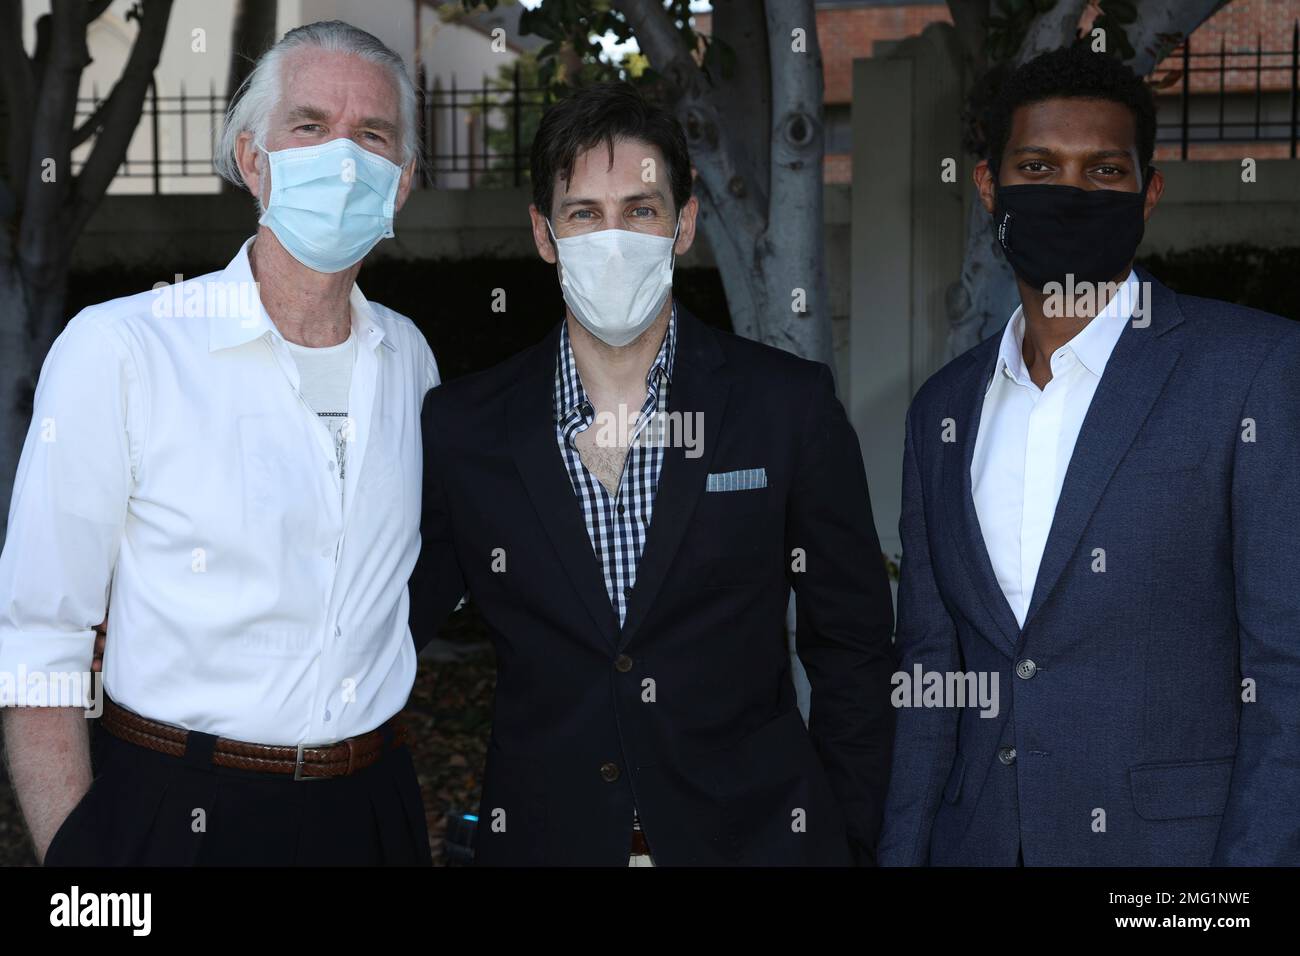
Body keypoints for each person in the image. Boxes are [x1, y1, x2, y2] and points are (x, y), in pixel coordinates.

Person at [408, 82, 896, 866]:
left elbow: (854, 646)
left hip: (758, 841)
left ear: (685, 224)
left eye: (640, 209)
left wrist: (848, 835)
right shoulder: (466, 428)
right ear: (544, 233)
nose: (614, 236)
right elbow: (388, 630)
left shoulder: (785, 406)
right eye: (584, 213)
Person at [0, 21, 437, 866]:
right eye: (309, 125)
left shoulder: (411, 360)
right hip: (173, 813)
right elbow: (38, 632)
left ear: (404, 181)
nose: (343, 156)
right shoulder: (123, 349)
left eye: (373, 135)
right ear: (251, 159)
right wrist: (81, 863)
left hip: (370, 809)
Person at [879, 45, 1300, 866]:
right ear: (989, 187)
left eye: (1102, 171)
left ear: (1148, 194)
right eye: (1037, 165)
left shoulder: (1253, 372)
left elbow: (1287, 674)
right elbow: (932, 674)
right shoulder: (942, 410)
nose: (1069, 192)